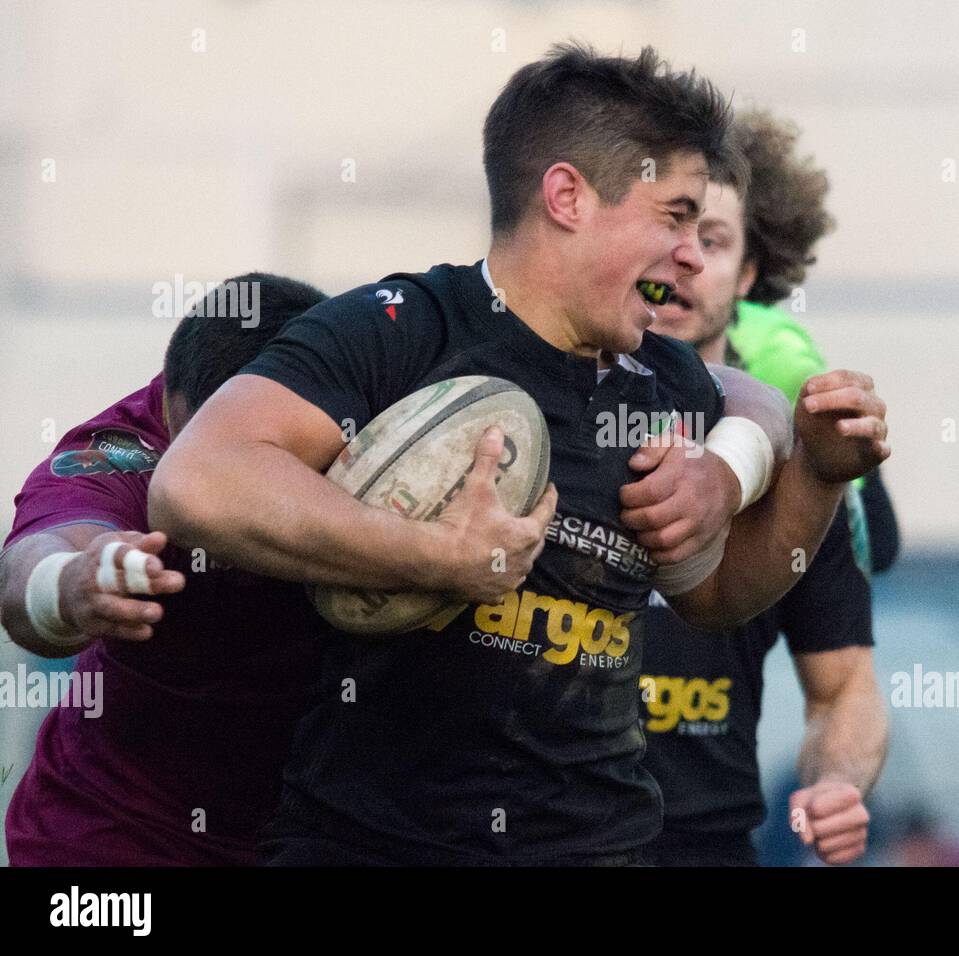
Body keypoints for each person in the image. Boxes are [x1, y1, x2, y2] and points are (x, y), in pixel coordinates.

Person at [148, 43, 892, 866]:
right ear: (568, 197)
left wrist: (817, 476)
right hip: (371, 846)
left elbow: (714, 594)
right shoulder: (401, 329)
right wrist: (432, 555)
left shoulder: (666, 378)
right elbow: (198, 481)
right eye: (673, 217)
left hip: (597, 849)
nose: (690, 254)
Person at [0, 274, 329, 864]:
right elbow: (34, 564)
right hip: (120, 834)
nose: (202, 479)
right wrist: (72, 586)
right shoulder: (126, 447)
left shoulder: (395, 435)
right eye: (189, 447)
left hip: (331, 826)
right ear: (171, 413)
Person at [640, 110, 894, 866]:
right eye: (667, 231)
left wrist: (837, 783)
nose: (684, 259)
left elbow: (845, 687)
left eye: (713, 240)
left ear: (748, 274)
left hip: (704, 845)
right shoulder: (531, 415)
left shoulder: (794, 455)